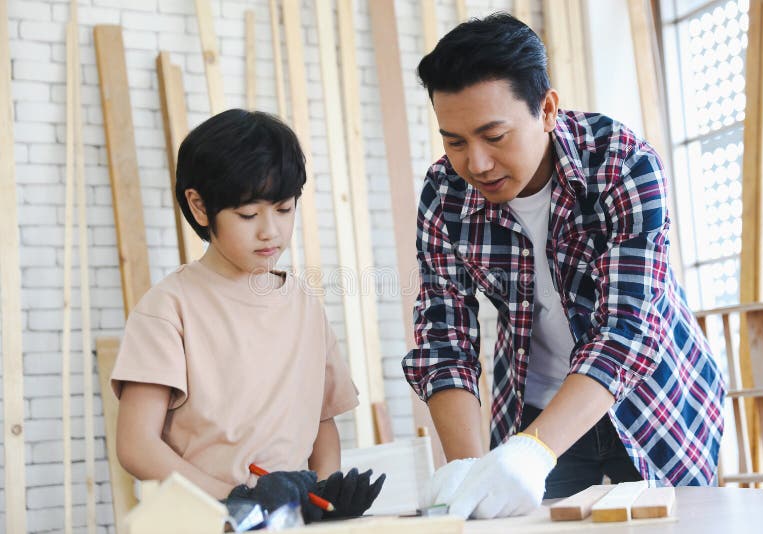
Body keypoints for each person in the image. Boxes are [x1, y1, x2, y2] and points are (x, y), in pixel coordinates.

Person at [403, 13, 725, 519]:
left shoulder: (621, 163)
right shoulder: (443, 194)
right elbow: (444, 338)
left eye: (494, 135)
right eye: (455, 141)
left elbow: (626, 329)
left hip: (654, 404)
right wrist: (469, 470)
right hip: (536, 411)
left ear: (547, 108)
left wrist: (532, 454)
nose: (477, 164)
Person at [112, 109, 383, 522]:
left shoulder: (306, 307)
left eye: (284, 209)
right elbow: (136, 444)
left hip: (288, 521)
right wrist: (235, 498)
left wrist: (323, 494)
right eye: (248, 215)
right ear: (200, 207)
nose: (270, 231)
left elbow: (322, 423)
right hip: (198, 522)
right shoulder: (169, 309)